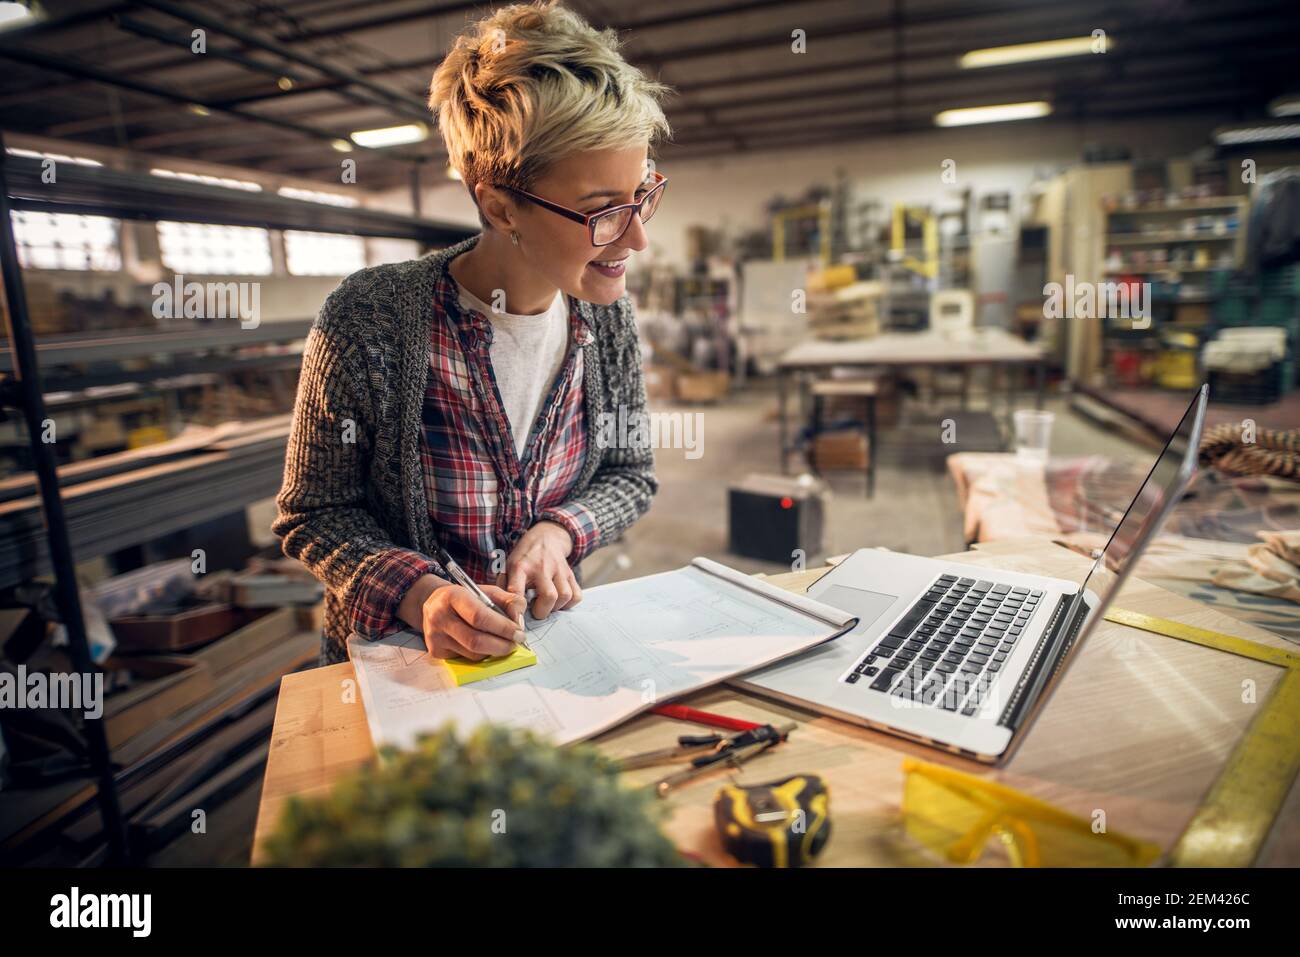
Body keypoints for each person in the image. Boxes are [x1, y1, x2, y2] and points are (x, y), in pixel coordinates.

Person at [274, 1, 672, 665]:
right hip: (397, 673)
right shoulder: (371, 320)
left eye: (644, 194)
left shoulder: (605, 317)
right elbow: (312, 512)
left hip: (545, 659)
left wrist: (558, 530)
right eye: (603, 212)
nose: (637, 237)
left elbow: (631, 471)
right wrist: (420, 595)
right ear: (498, 203)